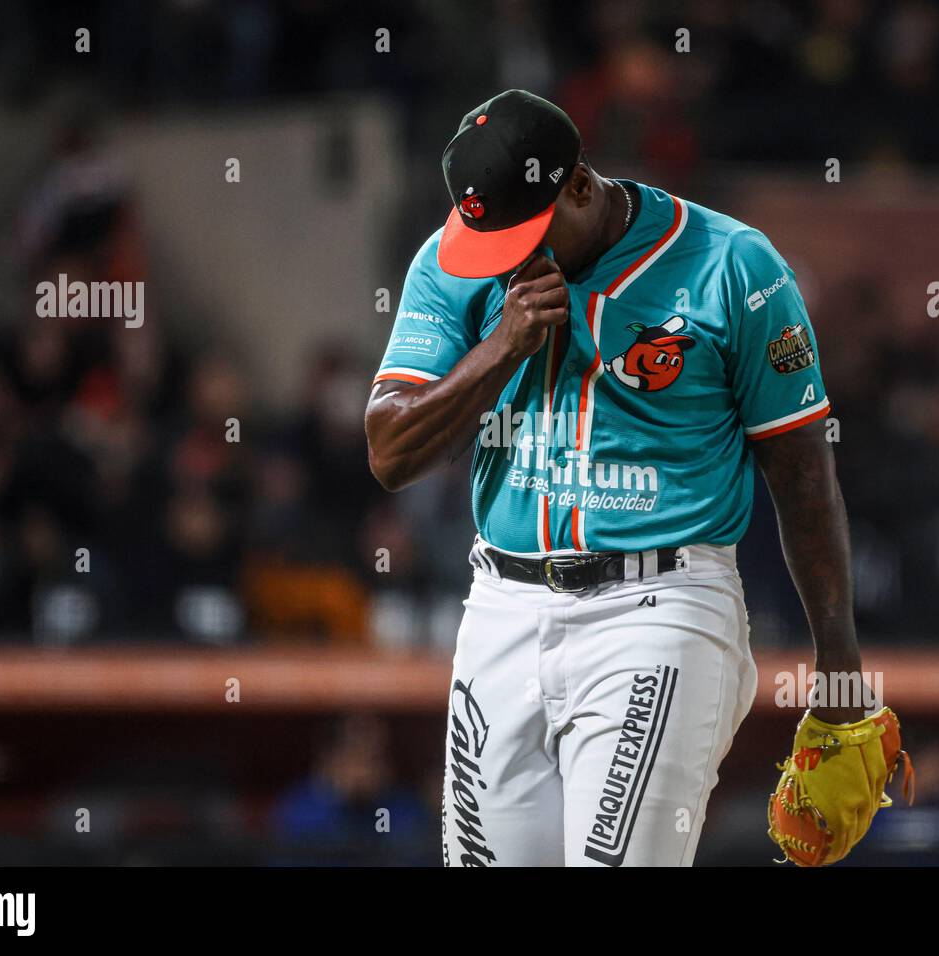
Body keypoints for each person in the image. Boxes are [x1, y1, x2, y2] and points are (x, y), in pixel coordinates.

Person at [365, 90, 863, 866]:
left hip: (660, 605)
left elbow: (802, 477)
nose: (509, 260)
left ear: (581, 187)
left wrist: (840, 677)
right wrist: (502, 347)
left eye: (526, 235)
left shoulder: (734, 265)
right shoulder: (453, 261)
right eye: (490, 240)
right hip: (500, 602)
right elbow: (390, 451)